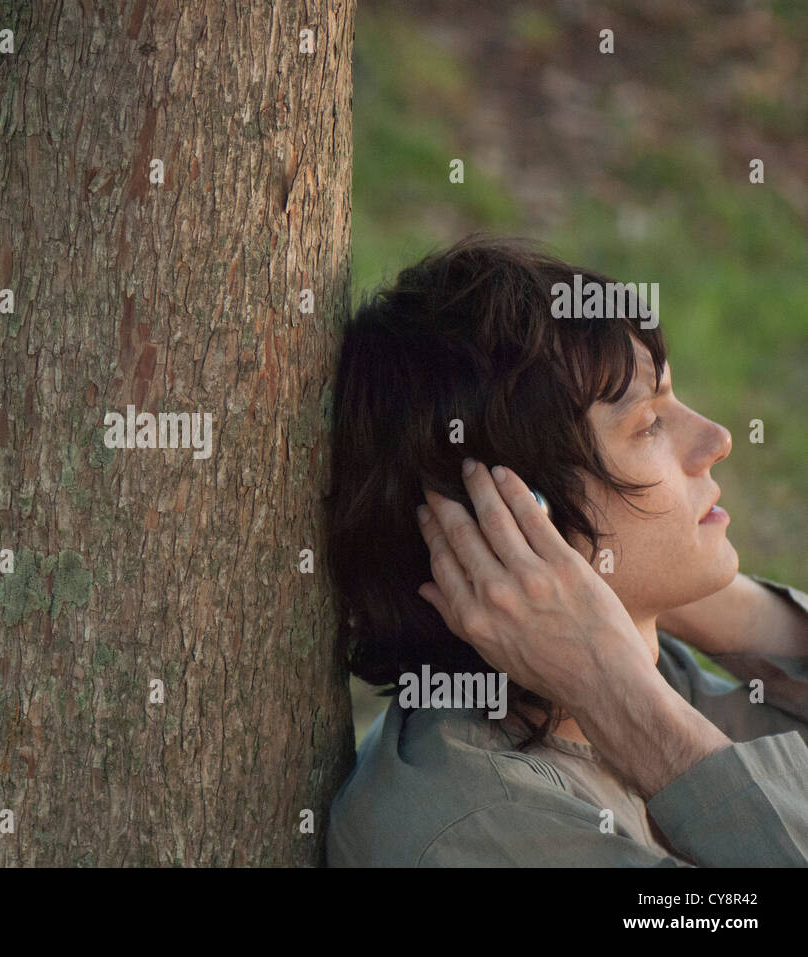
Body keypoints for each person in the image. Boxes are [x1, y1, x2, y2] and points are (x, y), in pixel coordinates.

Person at [324, 234, 808, 866]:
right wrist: (617, 694)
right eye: (649, 425)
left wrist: (706, 603)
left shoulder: (649, 670)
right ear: (514, 527)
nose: (716, 439)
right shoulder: (482, 830)